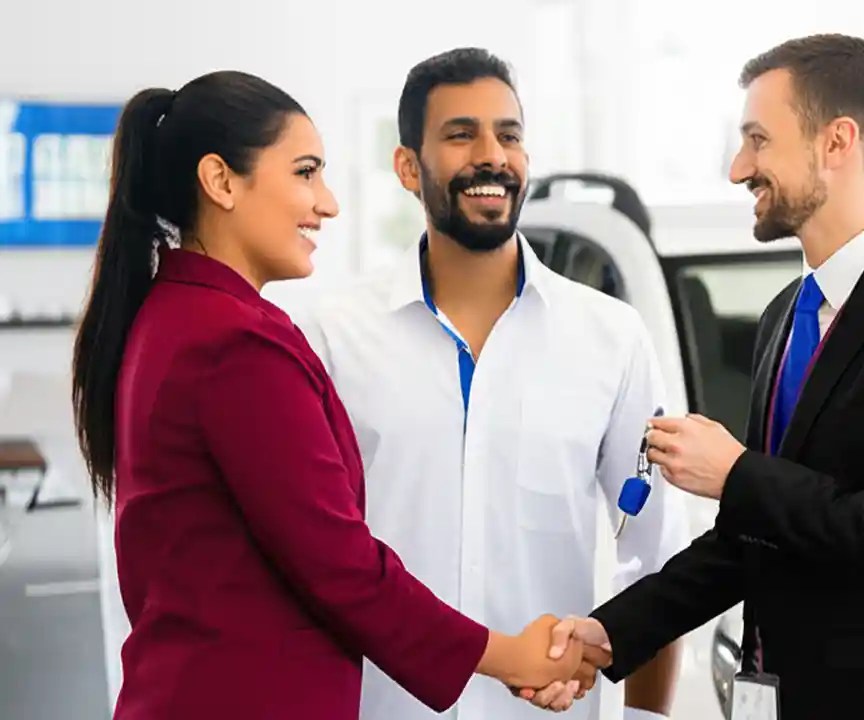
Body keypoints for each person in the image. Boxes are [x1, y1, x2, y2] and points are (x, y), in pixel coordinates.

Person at [71, 70, 582, 720]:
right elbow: (337, 564)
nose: (329, 203)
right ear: (221, 181)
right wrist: (508, 655)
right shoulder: (232, 345)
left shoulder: (174, 316)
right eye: (305, 172)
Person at [545, 34, 864, 720]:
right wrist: (611, 634)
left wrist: (736, 474)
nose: (739, 168)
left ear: (837, 142)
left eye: (758, 140)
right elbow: (755, 538)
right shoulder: (785, 317)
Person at [294, 49, 688, 720]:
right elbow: (309, 558)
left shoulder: (609, 338)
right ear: (408, 167)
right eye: (461, 134)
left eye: (509, 135)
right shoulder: (331, 337)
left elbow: (654, 561)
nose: (493, 155)